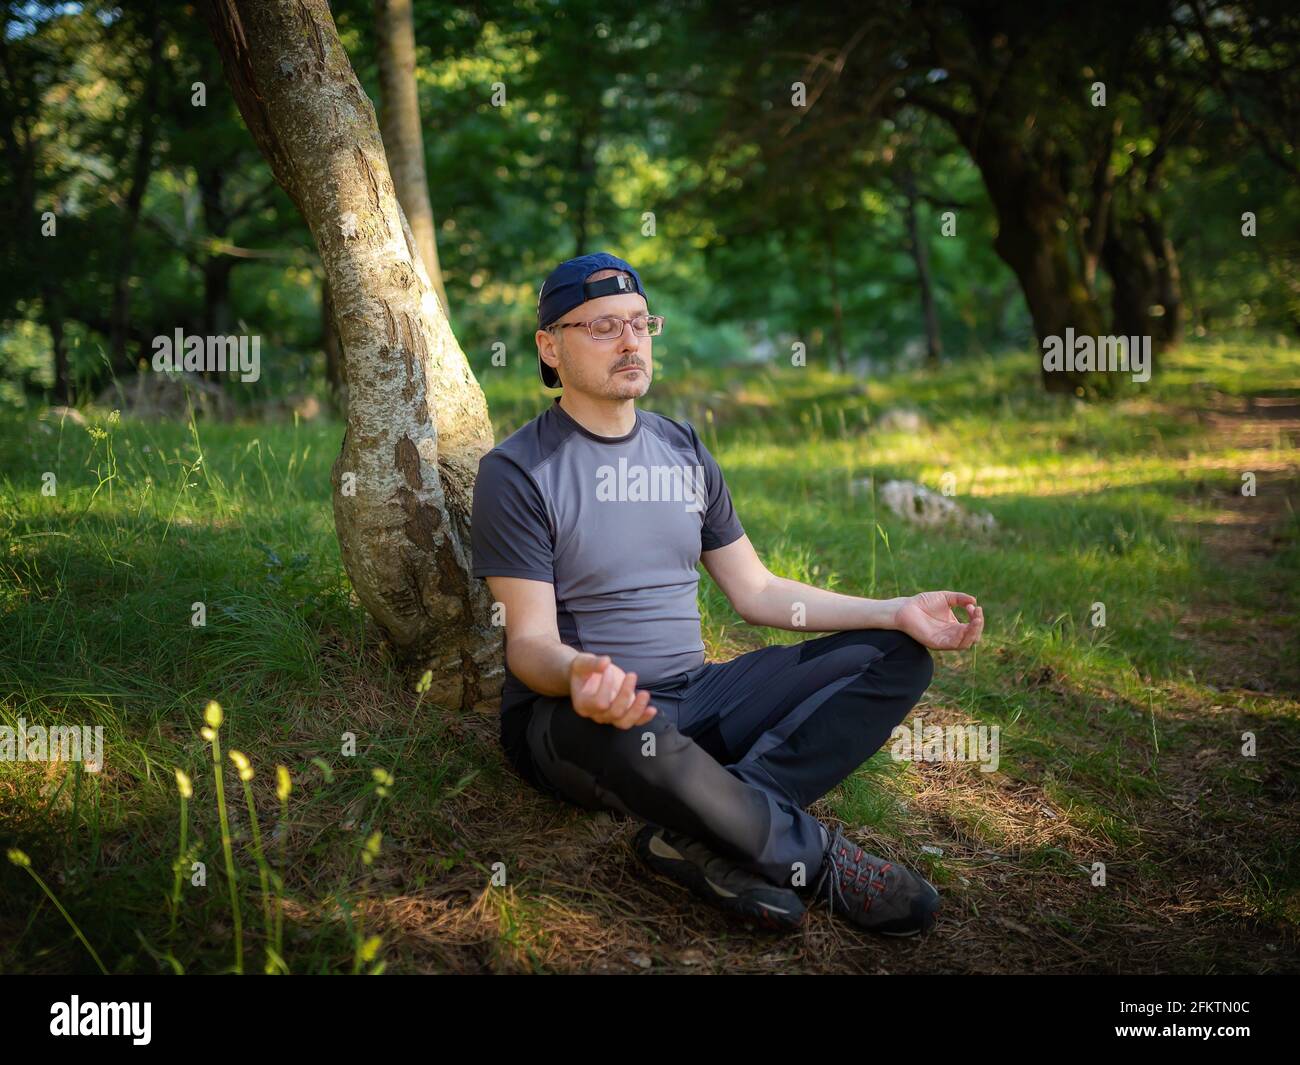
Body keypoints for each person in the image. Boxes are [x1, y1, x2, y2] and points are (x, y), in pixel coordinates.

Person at [470, 252, 984, 935]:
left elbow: (758, 590)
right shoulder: (517, 471)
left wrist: (893, 611)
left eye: (639, 323)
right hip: (579, 718)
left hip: (696, 695)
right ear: (549, 346)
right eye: (601, 328)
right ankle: (820, 858)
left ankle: (699, 827)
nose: (629, 342)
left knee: (897, 656)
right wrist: (579, 671)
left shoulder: (682, 449)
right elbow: (529, 644)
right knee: (633, 730)